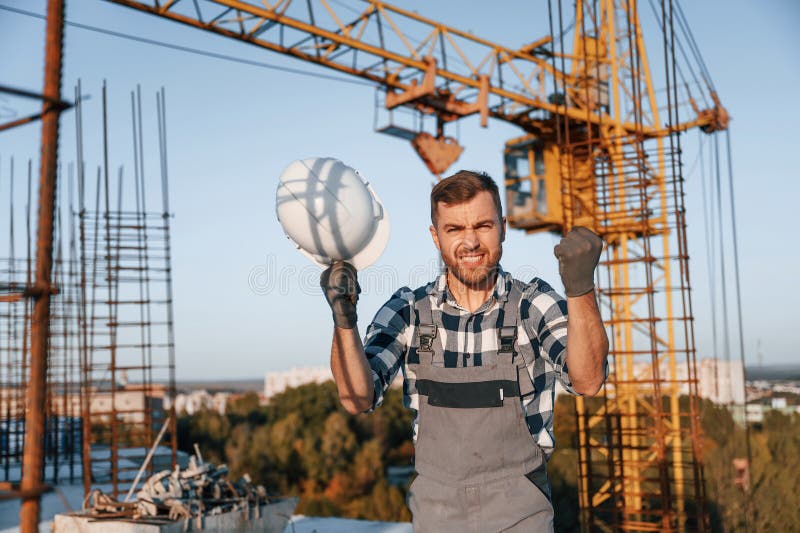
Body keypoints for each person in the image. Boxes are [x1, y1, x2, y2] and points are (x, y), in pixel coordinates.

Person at [320, 170, 608, 532]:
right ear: (435, 236)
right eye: (454, 229)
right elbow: (357, 397)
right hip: (437, 519)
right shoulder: (409, 311)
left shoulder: (532, 305)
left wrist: (580, 289)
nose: (470, 242)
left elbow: (588, 379)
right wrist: (343, 320)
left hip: (520, 518)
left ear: (502, 227)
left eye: (483, 226)